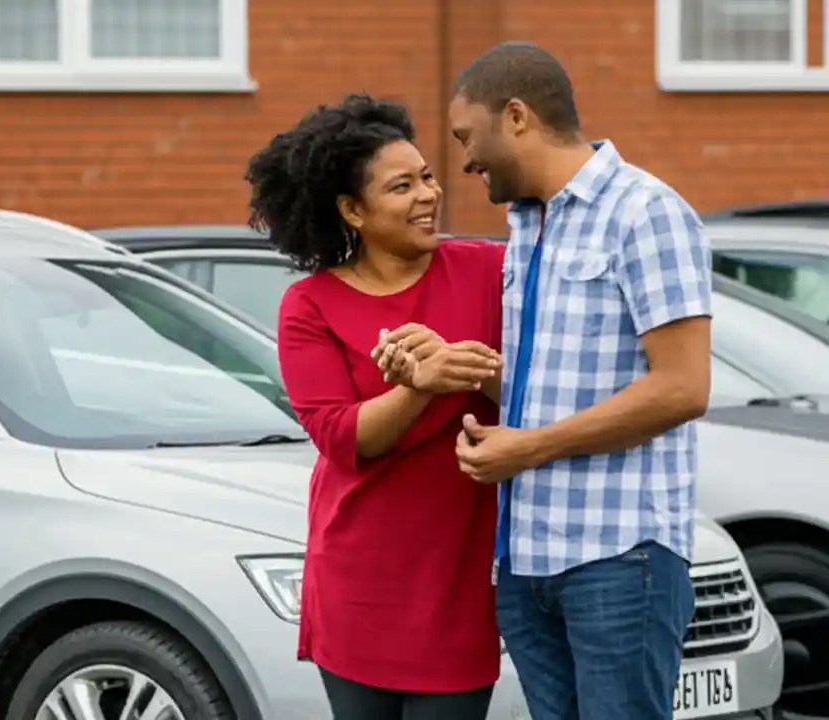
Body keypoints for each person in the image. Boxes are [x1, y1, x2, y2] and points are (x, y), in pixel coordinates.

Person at [446, 42, 713, 720]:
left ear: (515, 117)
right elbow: (555, 387)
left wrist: (526, 447)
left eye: (465, 136)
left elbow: (683, 387)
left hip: (619, 558)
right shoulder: (528, 227)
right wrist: (456, 369)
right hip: (528, 562)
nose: (464, 159)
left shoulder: (644, 212)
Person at [244, 92, 507, 720]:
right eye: (402, 186)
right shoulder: (308, 306)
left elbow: (541, 395)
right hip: (360, 582)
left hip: (458, 584)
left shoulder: (490, 271)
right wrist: (419, 383)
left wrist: (473, 370)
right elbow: (342, 438)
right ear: (352, 210)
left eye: (427, 176)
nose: (428, 195)